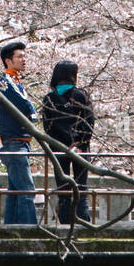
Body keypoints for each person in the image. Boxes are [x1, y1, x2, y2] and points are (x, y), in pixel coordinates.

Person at [42, 60, 95, 224]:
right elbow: (89, 122)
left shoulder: (49, 99)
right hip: (81, 149)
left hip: (59, 150)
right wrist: (78, 142)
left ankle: (65, 220)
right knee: (81, 185)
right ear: (72, 75)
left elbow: (48, 127)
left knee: (63, 187)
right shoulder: (82, 95)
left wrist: (64, 144)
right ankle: (82, 219)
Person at [0, 41, 38, 225]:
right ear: (8, 61)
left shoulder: (16, 82)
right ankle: (29, 230)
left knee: (15, 190)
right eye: (19, 56)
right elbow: (23, 105)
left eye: (24, 56)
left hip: (19, 141)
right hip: (14, 142)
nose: (24, 60)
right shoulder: (5, 82)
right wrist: (33, 113)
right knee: (26, 190)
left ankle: (10, 228)